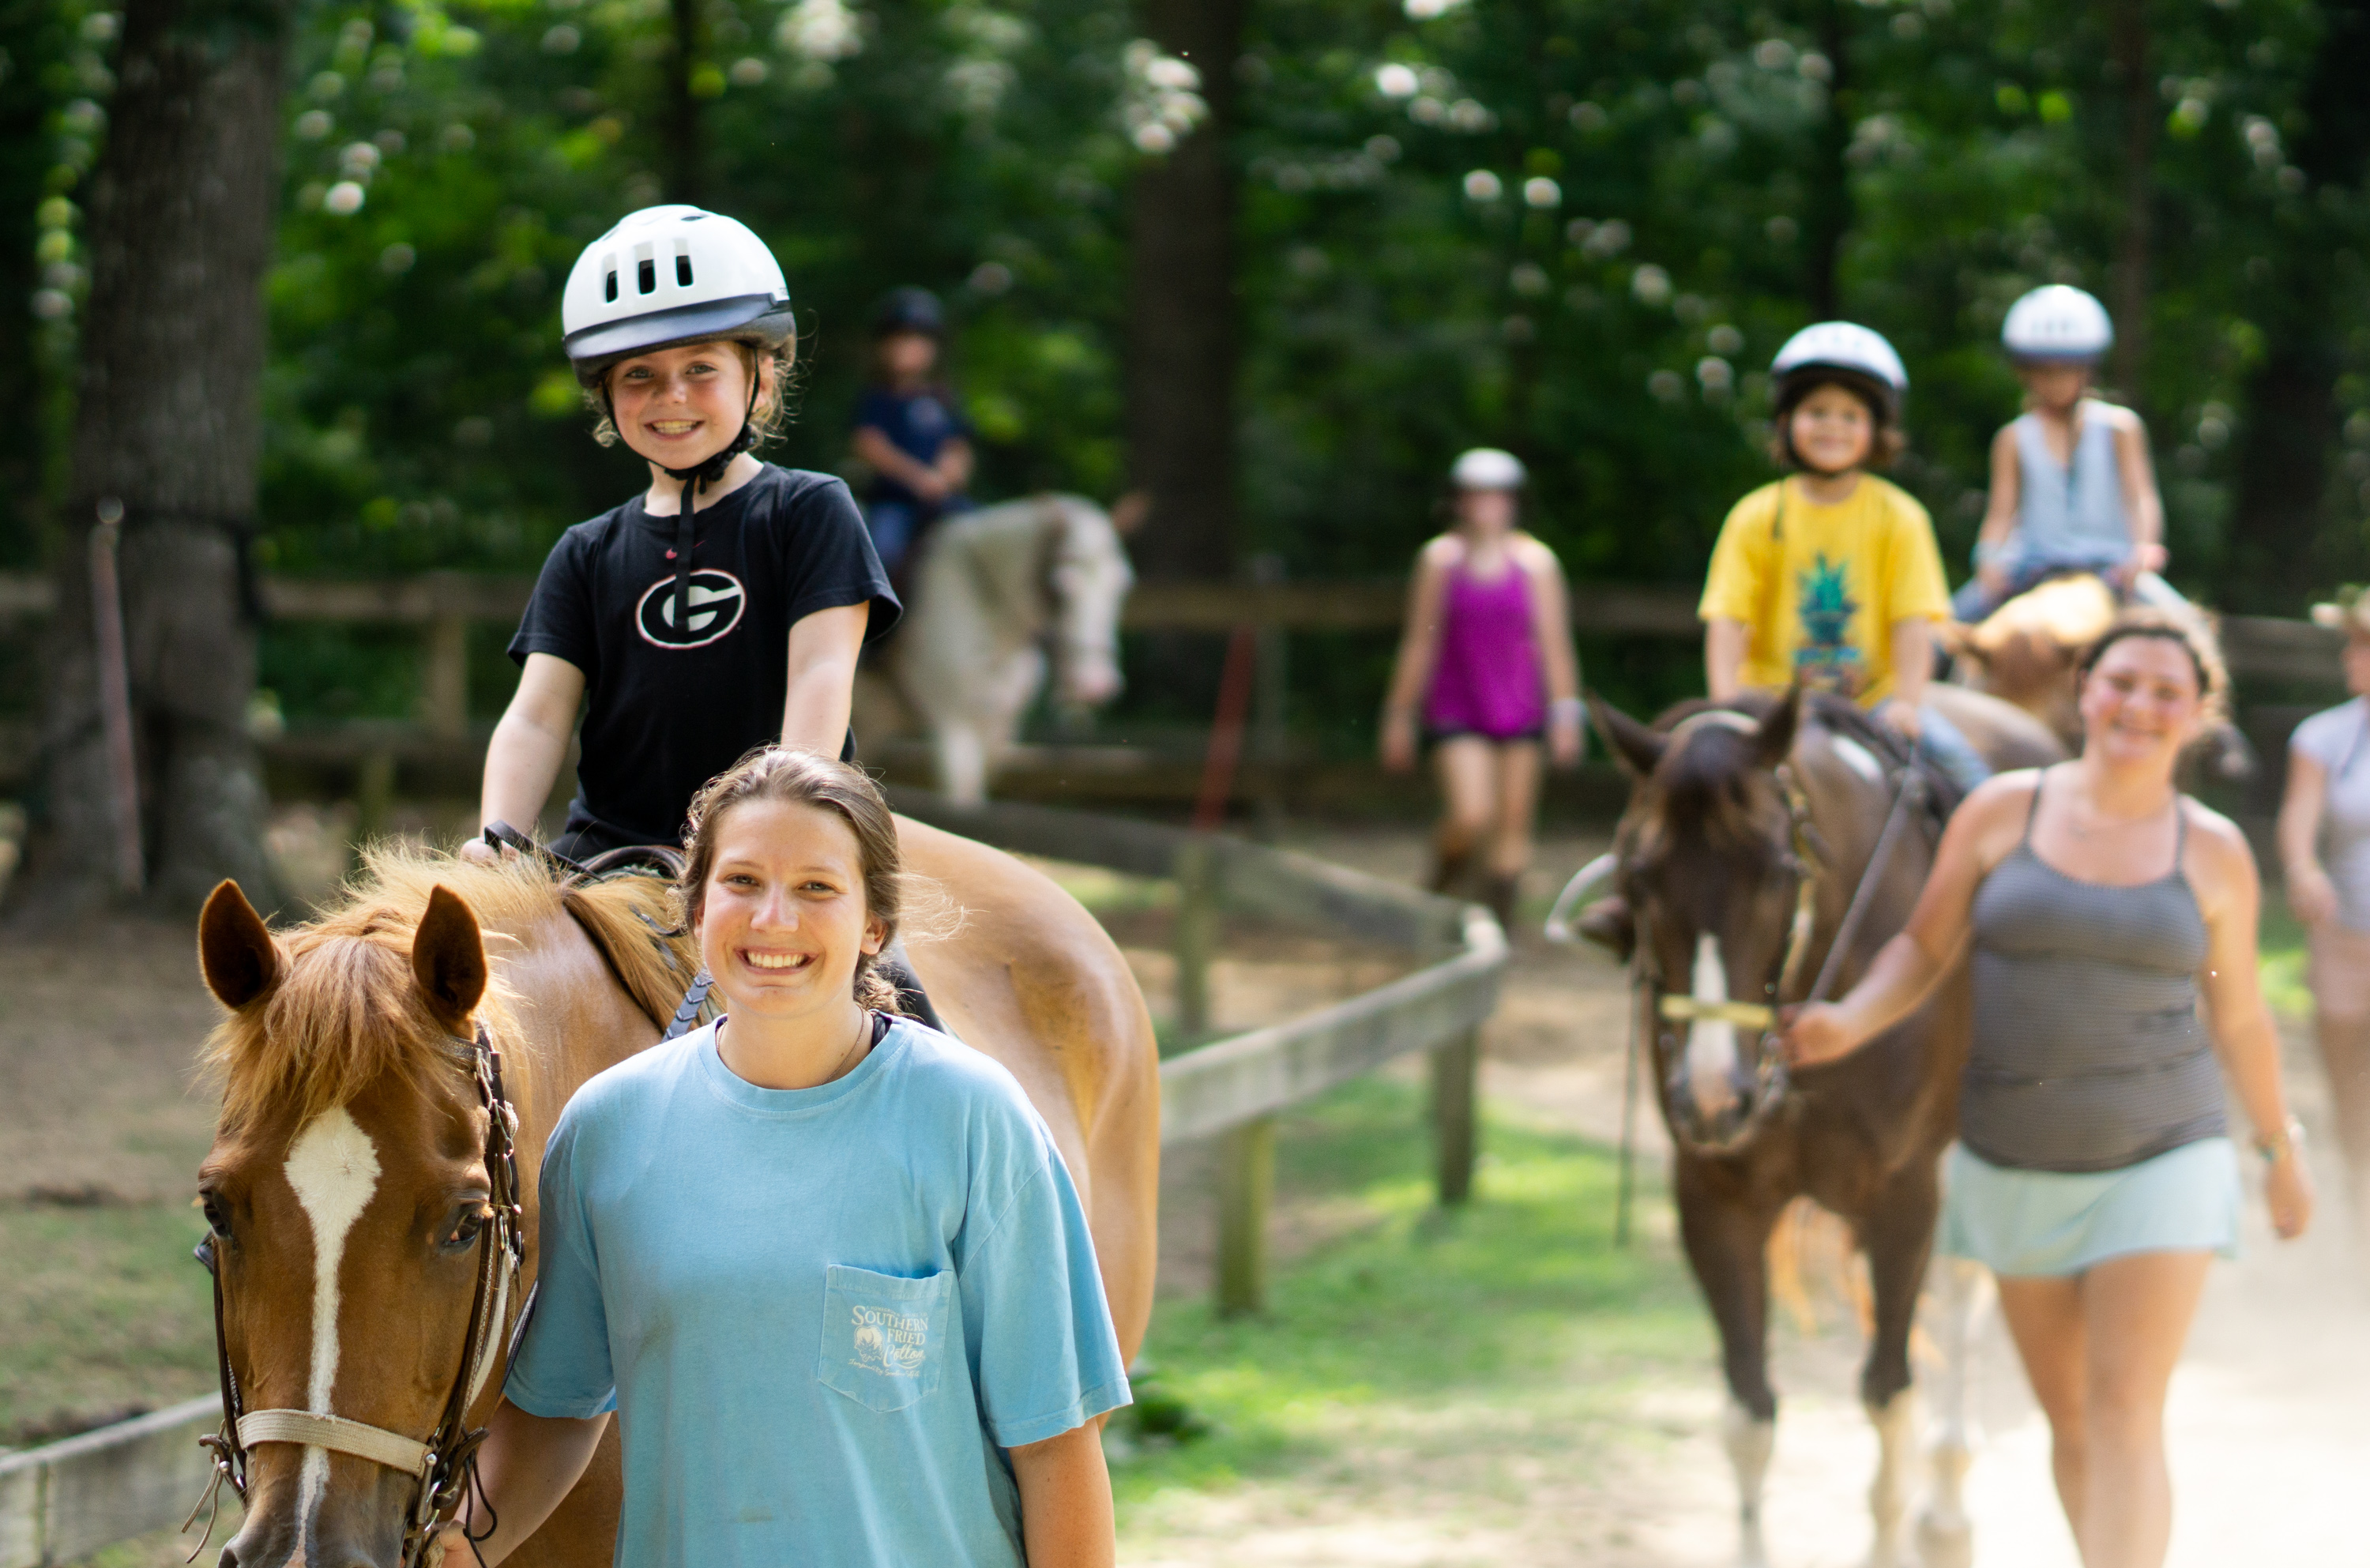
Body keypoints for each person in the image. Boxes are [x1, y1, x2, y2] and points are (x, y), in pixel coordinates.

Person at [436, 747, 1130, 1566]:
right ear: (694, 910)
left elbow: (1055, 1444)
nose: (773, 919)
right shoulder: (607, 1130)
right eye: (741, 882)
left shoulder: (976, 1119)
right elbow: (556, 1412)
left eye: (816, 887)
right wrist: (456, 1550)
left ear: (875, 924)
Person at [1784, 611, 2312, 1568]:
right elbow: (1923, 947)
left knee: (2121, 1410)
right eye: (2122, 682)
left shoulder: (2215, 850)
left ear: (2197, 716)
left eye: (2166, 692)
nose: (2139, 706)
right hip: (2014, 1159)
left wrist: (2279, 1148)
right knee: (2070, 1417)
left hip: (2162, 1156)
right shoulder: (2000, 813)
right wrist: (1849, 1019)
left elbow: (2238, 1014)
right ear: (2084, 691)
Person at [461, 205, 897, 863]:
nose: (672, 395)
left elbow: (821, 668)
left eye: (701, 368)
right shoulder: (585, 553)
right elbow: (537, 715)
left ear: (761, 375)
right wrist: (500, 835)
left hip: (781, 847)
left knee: (881, 969)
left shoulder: (809, 510)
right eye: (638, 374)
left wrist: (777, 825)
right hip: (608, 855)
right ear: (604, 394)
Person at [1698, 321, 1988, 788]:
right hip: (1770, 704)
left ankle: (1997, 855)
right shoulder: (1755, 515)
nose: (1833, 426)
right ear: (1786, 421)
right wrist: (1725, 701)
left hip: (1873, 702)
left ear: (1876, 429)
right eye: (1817, 411)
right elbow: (1727, 618)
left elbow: (1914, 623)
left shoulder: (1899, 516)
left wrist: (1907, 704)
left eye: (1850, 415)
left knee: (1964, 772)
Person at [1380, 448, 1583, 931]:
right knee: (1471, 816)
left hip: (1519, 709)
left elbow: (1554, 643)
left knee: (1511, 840)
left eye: (1497, 496)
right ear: (1459, 502)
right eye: (1476, 496)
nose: (1487, 506)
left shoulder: (1536, 563)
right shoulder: (1440, 560)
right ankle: (1439, 890)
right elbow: (1418, 643)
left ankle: (1495, 933)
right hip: (1458, 707)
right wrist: (1398, 714)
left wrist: (1566, 714)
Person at [1954, 284, 2171, 622]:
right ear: (2025, 371)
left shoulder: (2120, 428)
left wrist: (2144, 548)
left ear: (2088, 368)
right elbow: (2001, 513)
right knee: (1944, 632)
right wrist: (1988, 558)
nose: (2055, 380)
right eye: (2043, 369)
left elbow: (2141, 496)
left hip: (2112, 570)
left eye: (2066, 368)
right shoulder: (2013, 437)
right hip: (2032, 570)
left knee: (2190, 631)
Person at [2276, 584, 2370, 1230]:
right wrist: (2304, 870)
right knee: (2348, 1087)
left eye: (2364, 645)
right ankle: (2358, 1195)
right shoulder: (2324, 737)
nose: (2352, 657)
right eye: (2353, 644)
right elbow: (2298, 821)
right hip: (2345, 934)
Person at [850, 286, 976, 583]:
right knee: (883, 557)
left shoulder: (944, 399)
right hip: (893, 504)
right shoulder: (878, 398)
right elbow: (870, 445)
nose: (908, 349)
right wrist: (918, 478)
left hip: (943, 504)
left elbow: (958, 444)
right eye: (900, 340)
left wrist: (952, 471)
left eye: (918, 340)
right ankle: (882, 626)